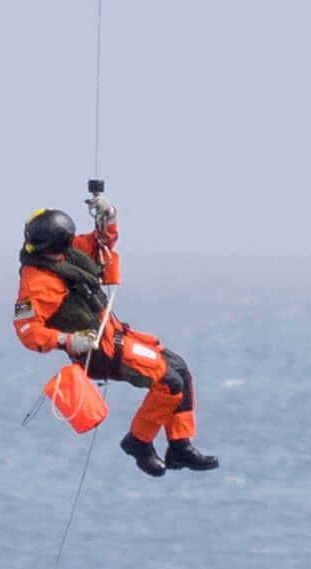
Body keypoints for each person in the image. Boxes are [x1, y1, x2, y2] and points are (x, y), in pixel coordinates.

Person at [15, 191, 213, 474]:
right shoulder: (37, 282)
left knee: (180, 368)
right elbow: (27, 330)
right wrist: (67, 340)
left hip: (116, 336)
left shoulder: (68, 254)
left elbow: (101, 244)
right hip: (101, 352)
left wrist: (108, 217)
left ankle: (180, 445)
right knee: (169, 383)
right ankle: (139, 441)